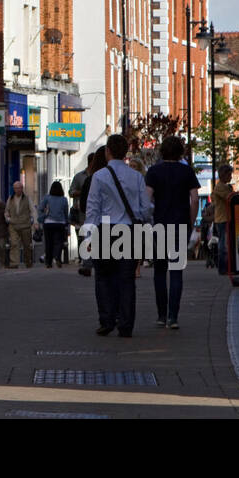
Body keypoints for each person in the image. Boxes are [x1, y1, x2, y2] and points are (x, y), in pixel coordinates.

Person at [84, 133, 152, 337]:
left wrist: (88, 236)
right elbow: (146, 208)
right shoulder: (137, 177)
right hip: (129, 231)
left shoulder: (99, 176)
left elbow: (93, 209)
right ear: (125, 153)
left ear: (108, 152)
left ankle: (106, 319)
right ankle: (126, 324)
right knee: (126, 279)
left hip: (105, 230)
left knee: (103, 277)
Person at [145, 136, 199, 329]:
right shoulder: (187, 172)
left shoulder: (153, 172)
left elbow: (147, 199)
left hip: (159, 225)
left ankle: (161, 314)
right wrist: (191, 222)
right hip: (180, 224)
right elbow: (194, 199)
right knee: (176, 272)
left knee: (159, 271)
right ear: (180, 152)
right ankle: (173, 317)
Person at [76, 146, 109, 276]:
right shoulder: (117, 178)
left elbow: (84, 203)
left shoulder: (91, 179)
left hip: (94, 218)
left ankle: (88, 262)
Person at [38, 181, 71, 268]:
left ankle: (48, 262)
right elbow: (66, 212)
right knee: (59, 242)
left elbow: (40, 208)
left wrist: (44, 216)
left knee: (49, 243)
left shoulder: (47, 198)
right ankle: (58, 258)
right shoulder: (64, 199)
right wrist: (67, 224)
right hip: (60, 223)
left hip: (48, 222)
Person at [211, 164, 234, 274]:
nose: (231, 177)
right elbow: (230, 197)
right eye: (229, 174)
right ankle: (223, 267)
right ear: (224, 175)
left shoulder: (224, 187)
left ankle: (225, 266)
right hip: (222, 219)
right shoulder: (220, 187)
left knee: (225, 243)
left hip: (225, 218)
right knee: (223, 244)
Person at [5, 181, 34, 268]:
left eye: (19, 188)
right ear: (14, 189)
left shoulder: (27, 198)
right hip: (13, 225)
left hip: (25, 225)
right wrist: (8, 218)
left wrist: (34, 221)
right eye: (16, 188)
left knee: (27, 245)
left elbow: (32, 210)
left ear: (22, 189)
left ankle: (28, 261)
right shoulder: (10, 199)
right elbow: (6, 210)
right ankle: (14, 263)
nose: (17, 190)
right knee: (14, 244)